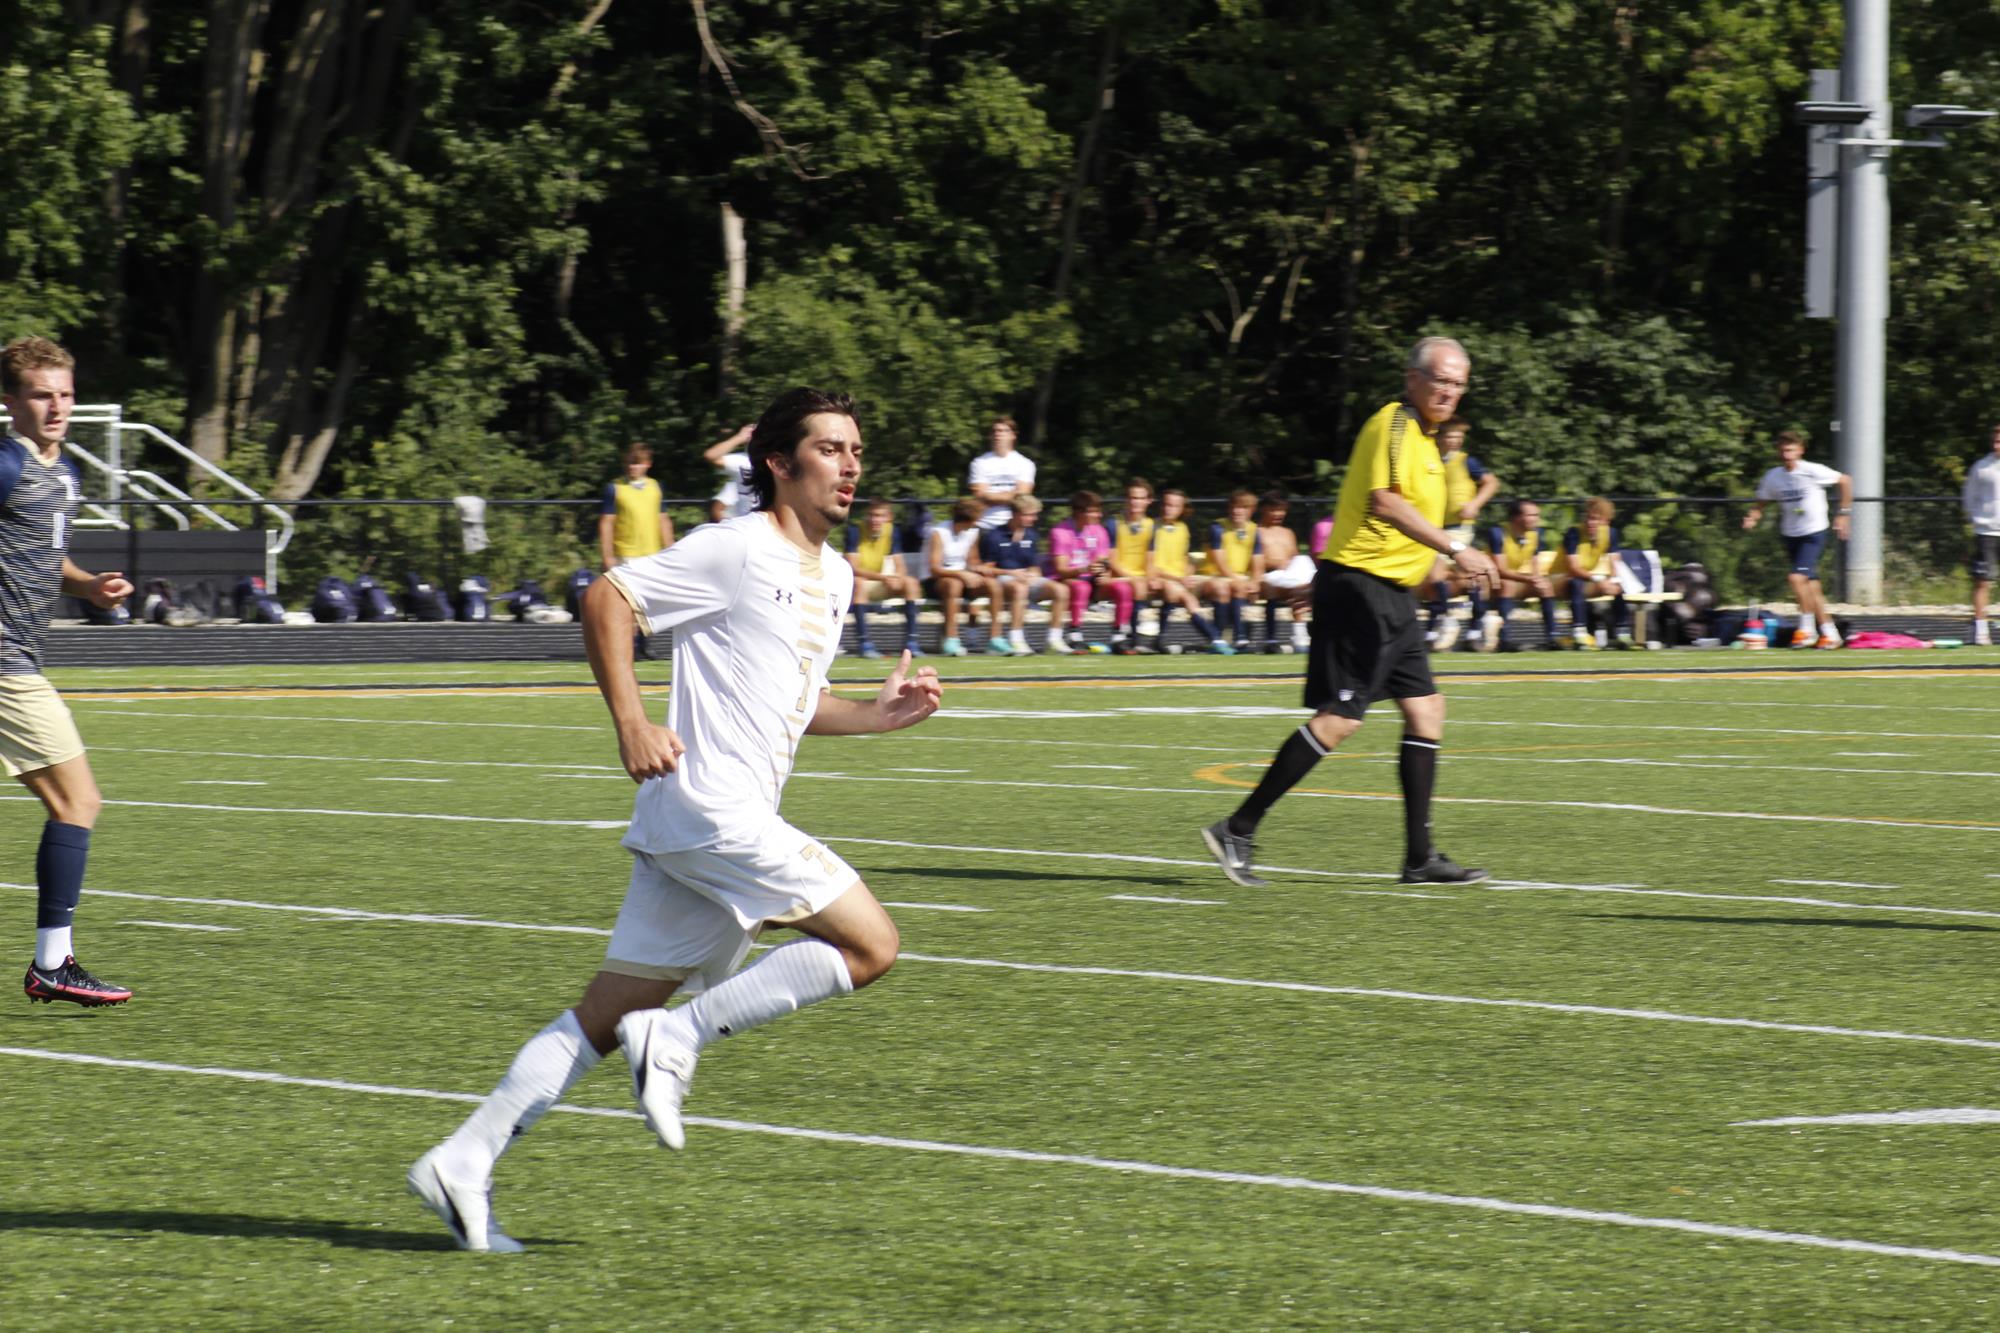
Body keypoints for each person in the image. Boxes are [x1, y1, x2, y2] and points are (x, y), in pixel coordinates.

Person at [410, 387, 942, 1253]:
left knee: (603, 1017)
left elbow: (796, 706)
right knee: (871, 944)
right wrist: (630, 720)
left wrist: (880, 716)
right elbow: (606, 598)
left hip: (700, 823)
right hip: (707, 807)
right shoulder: (732, 548)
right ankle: (682, 1034)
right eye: (831, 449)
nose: (851, 465)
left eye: (855, 449)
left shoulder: (838, 575)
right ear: (779, 463)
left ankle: (461, 1161)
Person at [1200, 335, 1499, 888]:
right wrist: (1455, 549)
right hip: (1367, 594)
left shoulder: (1432, 446)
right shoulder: (1393, 425)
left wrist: (1336, 576)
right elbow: (1382, 502)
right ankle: (1237, 829)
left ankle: (1419, 858)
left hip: (1385, 596)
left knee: (1427, 711)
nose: (1450, 392)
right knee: (1340, 720)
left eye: (1458, 384)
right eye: (1440, 380)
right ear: (1412, 378)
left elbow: (1373, 525)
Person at [6, 337, 136, 1007]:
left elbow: (43, 554)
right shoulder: (3, 463)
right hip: (4, 664)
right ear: (9, 401)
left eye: (64, 393)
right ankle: (52, 963)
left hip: (20, 657)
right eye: (39, 393)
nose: (56, 406)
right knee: (77, 800)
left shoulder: (63, 472)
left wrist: (88, 587)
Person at [1743, 430, 1851, 649]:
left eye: (1791, 450)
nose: (1786, 454)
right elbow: (1763, 500)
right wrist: (1754, 515)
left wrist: (1844, 513)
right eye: (1783, 450)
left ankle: (1807, 630)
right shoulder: (1774, 476)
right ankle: (1830, 634)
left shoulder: (1812, 470)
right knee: (1811, 586)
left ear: (1800, 450)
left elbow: (1845, 480)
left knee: (1795, 578)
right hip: (1791, 534)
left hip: (1813, 532)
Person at [1423, 419, 1500, 650]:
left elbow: (1491, 482)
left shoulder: (1466, 461)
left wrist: (1475, 504)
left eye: (1459, 436)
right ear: (1438, 437)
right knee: (1435, 577)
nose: (1455, 441)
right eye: (1450, 436)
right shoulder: (1428, 460)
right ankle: (1446, 619)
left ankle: (1473, 623)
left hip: (1459, 529)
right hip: (1434, 529)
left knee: (1468, 575)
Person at [978, 494, 1069, 654]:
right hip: (1003, 580)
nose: (1034, 519)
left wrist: (1032, 575)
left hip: (1026, 580)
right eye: (1030, 515)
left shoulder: (1032, 536)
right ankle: (1016, 639)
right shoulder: (994, 536)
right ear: (1016, 514)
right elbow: (987, 569)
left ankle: (1054, 639)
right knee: (1020, 589)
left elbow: (1034, 567)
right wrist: (1010, 573)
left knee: (1061, 590)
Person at [1144, 488, 1230, 653]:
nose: (1169, 509)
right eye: (1167, 504)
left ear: (1182, 509)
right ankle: (1216, 639)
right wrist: (1178, 579)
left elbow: (1183, 558)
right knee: (1185, 597)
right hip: (1161, 578)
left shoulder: (1182, 528)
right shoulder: (1151, 527)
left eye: (1175, 506)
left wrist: (1188, 574)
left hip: (1179, 579)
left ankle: (1226, 635)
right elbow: (1150, 565)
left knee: (1219, 587)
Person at [1473, 499, 1559, 651]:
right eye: (1531, 515)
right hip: (1489, 581)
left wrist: (1537, 579)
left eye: (1537, 515)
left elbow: (1534, 563)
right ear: (1516, 518)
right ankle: (1504, 639)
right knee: (1508, 585)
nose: (1536, 519)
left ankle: (1552, 637)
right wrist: (1528, 578)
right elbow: (1499, 570)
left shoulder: (1535, 534)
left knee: (1546, 586)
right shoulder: (1498, 533)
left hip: (1516, 578)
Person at [844, 497, 923, 659]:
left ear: (888, 517)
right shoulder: (855, 531)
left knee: (911, 583)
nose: (875, 520)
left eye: (880, 516)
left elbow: (899, 564)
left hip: (880, 582)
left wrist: (897, 578)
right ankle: (864, 643)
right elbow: (853, 569)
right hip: (861, 583)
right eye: (872, 515)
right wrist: (883, 577)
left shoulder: (892, 531)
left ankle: (911, 642)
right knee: (858, 584)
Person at [1550, 497, 1632, 650]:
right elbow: (1573, 568)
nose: (1590, 522)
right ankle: (1579, 634)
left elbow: (1615, 561)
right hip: (1557, 580)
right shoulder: (1573, 533)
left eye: (1596, 519)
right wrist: (1598, 579)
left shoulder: (1610, 534)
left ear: (1606, 521)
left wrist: (1613, 580)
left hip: (1583, 579)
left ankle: (1623, 633)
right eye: (1588, 517)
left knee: (1618, 587)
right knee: (1576, 583)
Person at [1047, 490, 1117, 654]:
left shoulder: (1098, 530)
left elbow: (1103, 559)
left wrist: (1105, 573)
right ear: (1079, 512)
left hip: (1093, 579)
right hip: (1067, 579)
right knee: (1081, 587)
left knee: (1123, 588)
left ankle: (1120, 636)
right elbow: (1061, 570)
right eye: (1093, 511)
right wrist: (1085, 569)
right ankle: (1074, 633)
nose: (1098, 515)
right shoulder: (1060, 532)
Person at [926, 497, 994, 656]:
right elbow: (934, 569)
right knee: (953, 585)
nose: (978, 523)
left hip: (962, 579)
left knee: (993, 585)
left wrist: (979, 568)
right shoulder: (939, 533)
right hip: (936, 581)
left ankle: (995, 639)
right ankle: (951, 639)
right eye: (976, 519)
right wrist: (961, 574)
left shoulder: (973, 532)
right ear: (967, 520)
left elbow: (972, 559)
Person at [1199, 489, 1265, 649]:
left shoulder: (1254, 530)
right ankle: (1222, 636)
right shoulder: (1217, 527)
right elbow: (1220, 563)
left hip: (1237, 578)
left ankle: (1238, 637)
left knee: (1239, 587)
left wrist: (1255, 582)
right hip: (1212, 576)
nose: (1237, 511)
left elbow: (1257, 561)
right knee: (1225, 587)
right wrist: (1239, 580)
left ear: (1251, 510)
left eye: (1242, 507)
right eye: (1234, 506)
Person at [597, 443, 674, 570]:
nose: (632, 467)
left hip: (654, 553)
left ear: (648, 464)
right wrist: (607, 556)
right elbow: (606, 523)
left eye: (637, 463)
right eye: (629, 463)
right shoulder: (614, 488)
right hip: (625, 555)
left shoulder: (656, 487)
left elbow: (663, 520)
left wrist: (670, 548)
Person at [1254, 492, 1314, 653]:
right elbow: (1253, 561)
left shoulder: (1288, 533)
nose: (1279, 514)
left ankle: (1303, 636)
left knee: (1303, 586)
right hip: (1268, 576)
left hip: (1290, 577)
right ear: (1263, 509)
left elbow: (1294, 558)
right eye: (1274, 510)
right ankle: (1295, 637)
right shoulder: (1256, 532)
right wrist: (1275, 563)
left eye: (1282, 510)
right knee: (1298, 590)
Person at [1105, 478, 1157, 653]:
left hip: (1139, 577)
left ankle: (1156, 638)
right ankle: (1131, 637)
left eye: (1141, 498)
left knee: (1169, 589)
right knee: (1135, 586)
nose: (1136, 502)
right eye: (1132, 498)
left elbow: (1150, 559)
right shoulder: (1114, 523)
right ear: (1126, 500)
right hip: (1117, 576)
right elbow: (1111, 560)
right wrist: (1133, 578)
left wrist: (1150, 579)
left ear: (1149, 501)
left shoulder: (1152, 526)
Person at [1962, 423, 2000, 646]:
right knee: (1983, 581)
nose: (1998, 445)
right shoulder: (1981, 467)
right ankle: (1981, 629)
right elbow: (1969, 497)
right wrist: (1977, 521)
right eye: (1995, 441)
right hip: (1987, 531)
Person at [968, 416, 1036, 530]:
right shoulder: (979, 463)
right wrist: (1012, 494)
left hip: (1015, 526)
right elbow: (980, 496)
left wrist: (990, 496)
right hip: (984, 525)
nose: (997, 434)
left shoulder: (1025, 463)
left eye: (1002, 431)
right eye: (994, 431)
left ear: (1013, 435)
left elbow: (1023, 497)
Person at [702, 423, 757, 524]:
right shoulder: (742, 461)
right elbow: (711, 456)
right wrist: (739, 437)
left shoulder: (778, 460)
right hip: (747, 525)